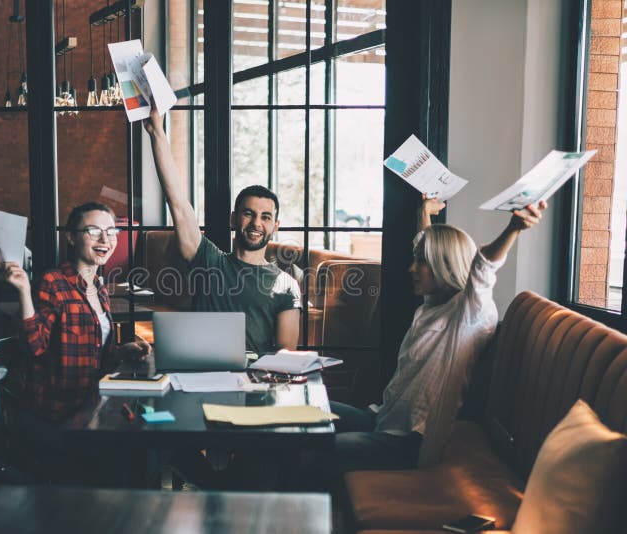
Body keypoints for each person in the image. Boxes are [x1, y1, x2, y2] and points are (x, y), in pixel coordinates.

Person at [311, 195, 547, 486]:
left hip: (407, 443)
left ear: (444, 264)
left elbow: (483, 268)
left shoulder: (469, 312)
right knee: (309, 409)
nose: (411, 268)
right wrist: (424, 212)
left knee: (314, 448)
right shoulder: (430, 304)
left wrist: (514, 227)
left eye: (420, 262)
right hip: (382, 420)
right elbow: (425, 243)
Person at [143, 106, 301, 355]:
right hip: (198, 372)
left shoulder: (286, 285)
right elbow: (178, 204)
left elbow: (286, 352)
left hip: (252, 381)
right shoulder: (209, 260)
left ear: (275, 227)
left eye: (265, 217)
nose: (256, 223)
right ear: (233, 219)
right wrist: (157, 133)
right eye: (248, 213)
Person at [0, 201, 150, 420]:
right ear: (71, 237)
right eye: (93, 231)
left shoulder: (99, 287)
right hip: (60, 413)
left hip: (95, 406)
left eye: (111, 232)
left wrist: (125, 350)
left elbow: (95, 355)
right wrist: (23, 290)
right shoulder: (53, 282)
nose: (105, 240)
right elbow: (34, 348)